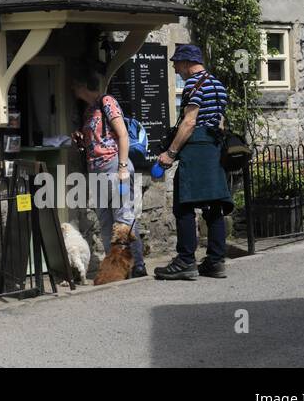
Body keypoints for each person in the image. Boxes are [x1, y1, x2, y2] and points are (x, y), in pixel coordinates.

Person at [154, 44, 233, 280]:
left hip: (196, 149)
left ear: (188, 63)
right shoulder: (217, 84)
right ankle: (216, 261)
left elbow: (189, 122)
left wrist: (170, 152)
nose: (176, 69)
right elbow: (220, 122)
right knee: (214, 206)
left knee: (184, 205)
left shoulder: (194, 84)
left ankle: (185, 261)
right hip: (213, 148)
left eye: (177, 64)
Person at [70, 65, 147, 279]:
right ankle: (115, 267)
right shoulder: (88, 110)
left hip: (115, 167)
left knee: (124, 216)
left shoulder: (107, 102)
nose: (72, 90)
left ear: (82, 85)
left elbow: (122, 134)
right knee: (105, 220)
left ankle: (137, 266)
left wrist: (122, 167)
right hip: (97, 171)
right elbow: (97, 138)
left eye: (74, 86)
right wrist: (81, 137)